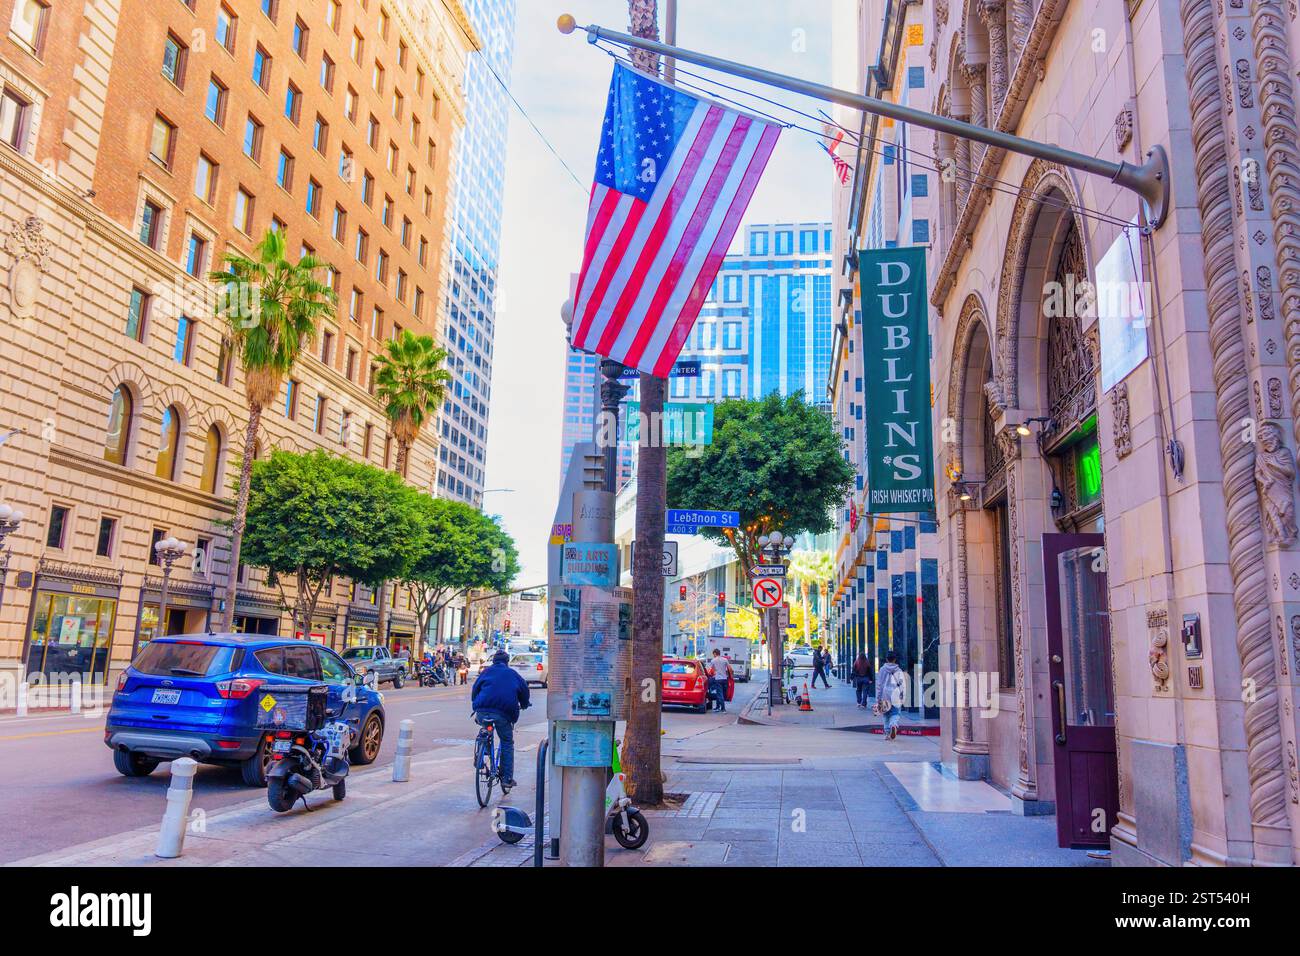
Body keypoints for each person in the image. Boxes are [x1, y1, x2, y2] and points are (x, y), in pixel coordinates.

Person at [471, 649, 530, 789]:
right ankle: (507, 778)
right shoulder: (512, 674)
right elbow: (524, 691)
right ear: (507, 661)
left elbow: (475, 690)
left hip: (482, 711)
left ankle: (482, 748)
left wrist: (477, 705)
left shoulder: (485, 672)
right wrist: (524, 704)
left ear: (493, 661)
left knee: (486, 728)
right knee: (506, 742)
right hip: (503, 713)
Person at [876, 651, 906, 739]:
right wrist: (903, 697)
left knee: (885, 714)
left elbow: (879, 685)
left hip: (884, 695)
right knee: (895, 713)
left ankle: (887, 733)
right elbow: (902, 685)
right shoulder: (899, 670)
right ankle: (893, 724)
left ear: (886, 659)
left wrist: (878, 698)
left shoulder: (882, 669)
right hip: (895, 695)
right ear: (895, 659)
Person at [706, 648, 732, 713]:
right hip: (725, 679)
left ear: (715, 653)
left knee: (720, 694)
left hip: (718, 679)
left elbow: (709, 670)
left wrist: (708, 675)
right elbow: (730, 668)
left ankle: (723, 709)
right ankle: (717, 707)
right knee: (720, 693)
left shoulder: (713, 660)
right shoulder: (725, 659)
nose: (713, 655)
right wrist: (730, 677)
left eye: (713, 654)